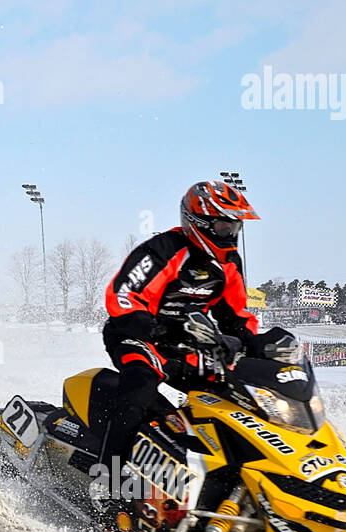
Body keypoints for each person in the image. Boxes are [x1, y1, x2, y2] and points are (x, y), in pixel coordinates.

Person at [99, 180, 300, 466]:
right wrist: (157, 330)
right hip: (138, 337)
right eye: (223, 226)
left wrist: (251, 345)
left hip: (190, 344)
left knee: (240, 396)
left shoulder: (229, 263)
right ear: (199, 223)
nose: (231, 234)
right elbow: (123, 297)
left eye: (234, 227)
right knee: (138, 393)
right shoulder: (163, 249)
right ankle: (108, 481)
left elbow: (235, 315)